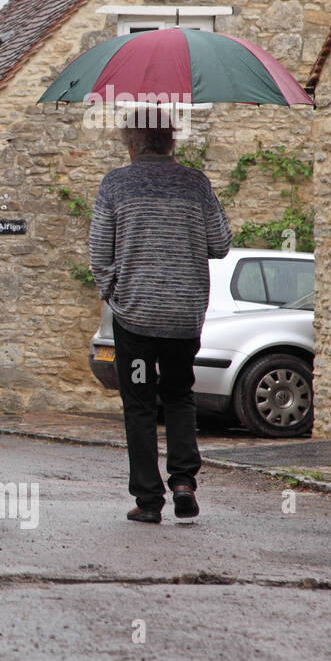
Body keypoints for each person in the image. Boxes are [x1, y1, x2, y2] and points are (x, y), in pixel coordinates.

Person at [90, 107, 230, 524]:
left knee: (139, 404)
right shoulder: (196, 183)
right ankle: (184, 481)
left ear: (131, 144)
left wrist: (116, 293)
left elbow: (100, 253)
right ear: (171, 141)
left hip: (135, 317)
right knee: (179, 393)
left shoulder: (115, 184)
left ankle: (149, 500)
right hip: (184, 316)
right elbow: (220, 244)